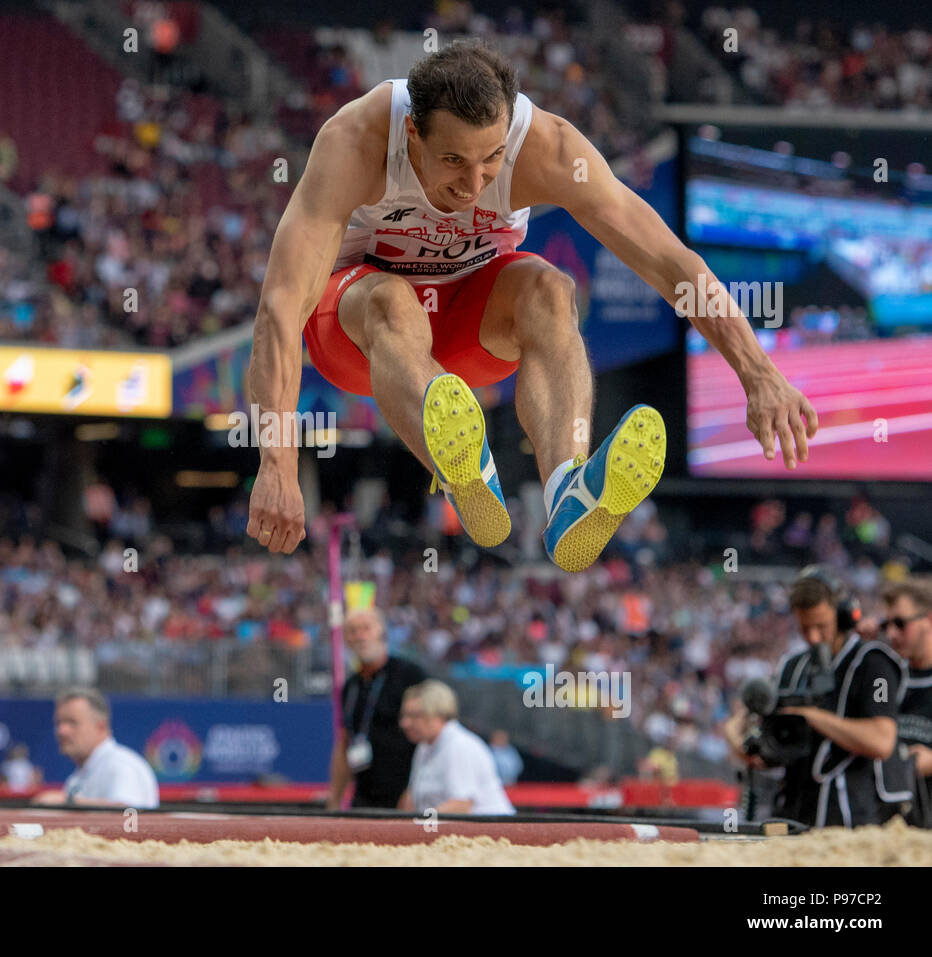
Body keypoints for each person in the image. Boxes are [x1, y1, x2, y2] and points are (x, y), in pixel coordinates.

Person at [245, 40, 816, 571]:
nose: (473, 184)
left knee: (550, 288)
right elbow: (281, 308)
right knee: (393, 300)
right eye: (452, 161)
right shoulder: (357, 140)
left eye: (490, 159)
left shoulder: (548, 147)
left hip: (470, 333)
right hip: (360, 336)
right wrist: (277, 462)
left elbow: (669, 260)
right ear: (412, 132)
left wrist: (758, 371)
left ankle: (568, 488)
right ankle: (460, 468)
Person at [724, 568, 909, 827]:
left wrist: (810, 716)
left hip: (853, 825)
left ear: (843, 615)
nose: (813, 637)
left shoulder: (874, 664)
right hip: (791, 819)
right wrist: (737, 737)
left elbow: (881, 741)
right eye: (804, 627)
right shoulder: (789, 667)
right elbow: (768, 756)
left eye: (821, 626)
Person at [326, 608, 428, 810]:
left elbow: (430, 736)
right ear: (346, 639)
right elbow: (345, 741)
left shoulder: (409, 675)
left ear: (381, 632)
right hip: (364, 798)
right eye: (353, 631)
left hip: (404, 797)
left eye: (366, 628)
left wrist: (416, 789)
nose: (360, 636)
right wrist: (335, 799)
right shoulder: (350, 686)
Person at [399, 680, 516, 815]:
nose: (405, 723)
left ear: (439, 715)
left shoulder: (459, 746)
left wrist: (416, 826)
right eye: (404, 715)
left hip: (490, 833)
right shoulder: (424, 746)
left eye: (415, 716)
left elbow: (460, 806)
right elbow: (410, 800)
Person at [31, 688, 158, 809]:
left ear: (101, 727)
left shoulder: (121, 765)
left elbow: (131, 816)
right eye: (58, 723)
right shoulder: (77, 777)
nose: (61, 731)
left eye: (72, 722)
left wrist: (67, 802)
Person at [882, 581, 932, 792]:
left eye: (901, 623)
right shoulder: (884, 678)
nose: (891, 634)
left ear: (929, 619)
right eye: (886, 625)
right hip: (890, 813)